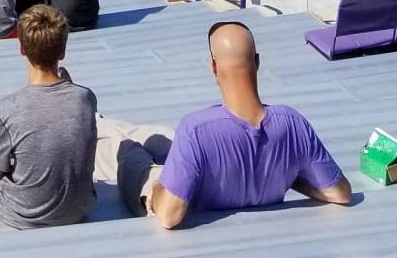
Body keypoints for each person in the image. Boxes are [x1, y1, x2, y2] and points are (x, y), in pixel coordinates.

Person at [115, 20, 349, 228]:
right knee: (163, 136)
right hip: (203, 153)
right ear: (257, 62)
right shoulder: (293, 123)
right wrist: (287, 176)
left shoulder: (196, 129)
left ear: (214, 66)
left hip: (177, 188)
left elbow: (169, 216)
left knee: (127, 146)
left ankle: (108, 128)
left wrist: (157, 188)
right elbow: (340, 193)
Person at [0, 4, 98, 229]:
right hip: (79, 209)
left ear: (22, 49)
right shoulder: (85, 98)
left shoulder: (4, 109)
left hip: (25, 214)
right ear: (63, 51)